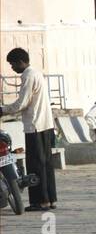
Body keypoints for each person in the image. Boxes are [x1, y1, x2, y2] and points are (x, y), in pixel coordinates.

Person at [2, 48, 57, 210]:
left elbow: (22, 103)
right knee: (46, 164)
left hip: (35, 126)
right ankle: (51, 199)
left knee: (36, 165)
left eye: (12, 64)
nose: (12, 68)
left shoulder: (28, 75)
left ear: (20, 62)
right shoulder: (36, 73)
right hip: (45, 124)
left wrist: (3, 110)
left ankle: (40, 201)